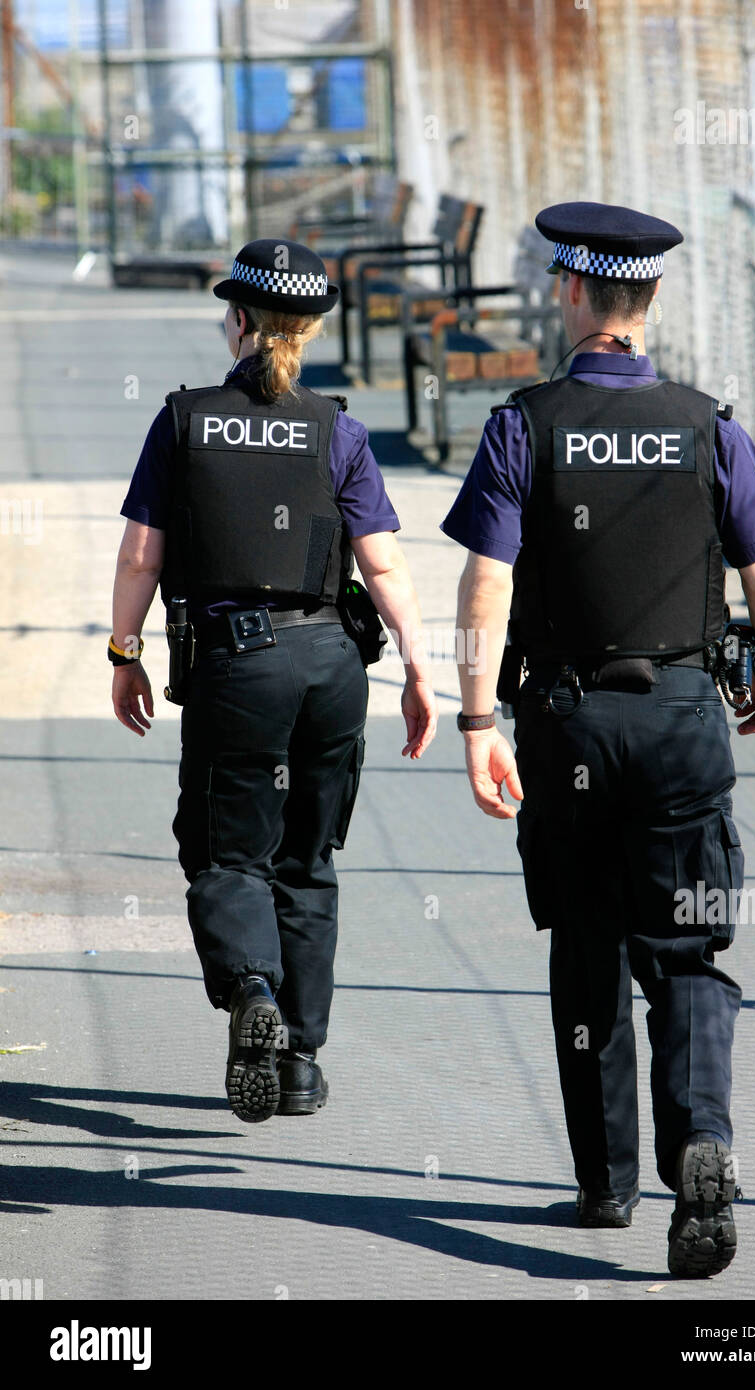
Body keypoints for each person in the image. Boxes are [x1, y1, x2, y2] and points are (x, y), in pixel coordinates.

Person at [441, 202, 755, 1277]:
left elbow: (484, 582)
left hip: (568, 727)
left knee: (586, 953)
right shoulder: (708, 426)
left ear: (568, 292)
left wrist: (471, 718)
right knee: (685, 955)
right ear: (648, 299)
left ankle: (605, 1186)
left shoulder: (524, 424)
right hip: (687, 720)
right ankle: (703, 1137)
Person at [110, 238, 437, 1124]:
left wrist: (124, 652)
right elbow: (385, 565)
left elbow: (143, 554)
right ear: (313, 327)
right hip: (332, 663)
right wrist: (416, 666)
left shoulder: (183, 421)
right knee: (308, 858)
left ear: (243, 320)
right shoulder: (339, 428)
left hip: (237, 663)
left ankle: (251, 988)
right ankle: (299, 1062)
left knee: (226, 852)